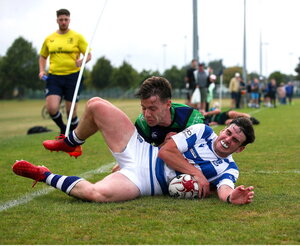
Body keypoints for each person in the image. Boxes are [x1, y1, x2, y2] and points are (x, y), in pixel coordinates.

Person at [12, 96, 255, 204]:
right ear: (224, 128)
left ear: (240, 149)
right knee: (96, 105)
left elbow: (225, 189)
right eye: (229, 132)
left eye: (235, 141)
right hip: (142, 151)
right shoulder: (202, 131)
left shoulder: (229, 169)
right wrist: (199, 175)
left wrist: (233, 197)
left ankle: (43, 174)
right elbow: (166, 152)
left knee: (96, 194)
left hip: (144, 182)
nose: (227, 139)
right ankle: (72, 142)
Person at [39, 9, 92, 134]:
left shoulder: (77, 37)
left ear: (69, 20)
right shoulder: (49, 38)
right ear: (57, 20)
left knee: (71, 112)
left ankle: (75, 138)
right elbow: (42, 56)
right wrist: (41, 70)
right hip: (54, 77)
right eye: (61, 19)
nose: (63, 22)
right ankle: (63, 129)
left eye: (66, 19)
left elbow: (89, 55)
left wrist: (82, 61)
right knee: (51, 108)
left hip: (73, 77)